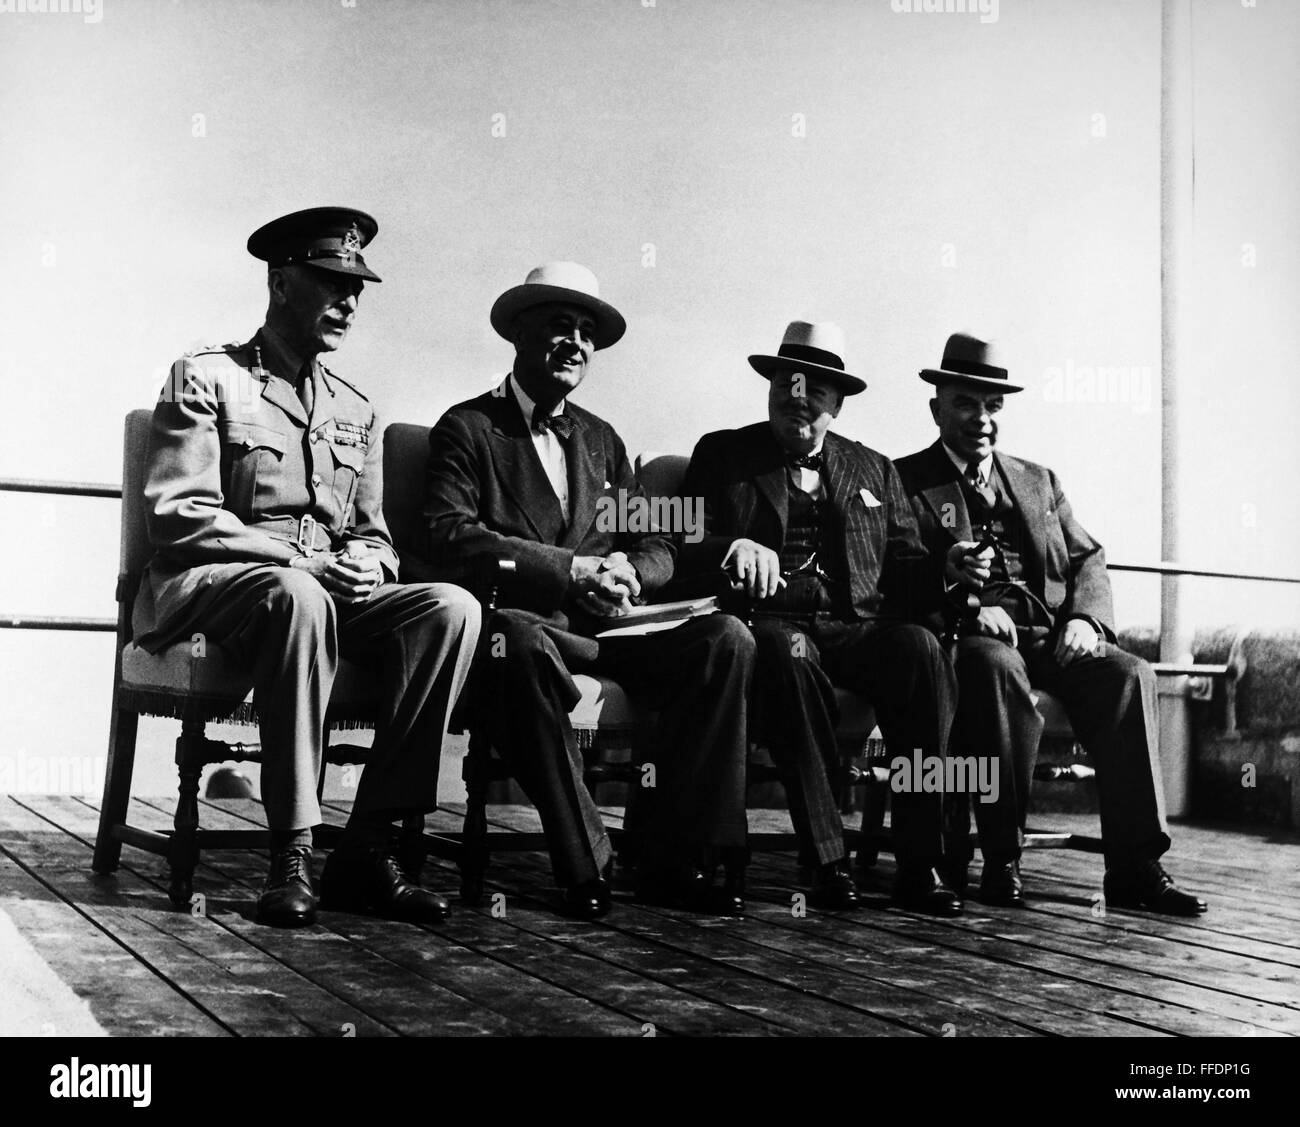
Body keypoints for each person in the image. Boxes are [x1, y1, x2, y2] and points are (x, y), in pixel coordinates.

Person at [134, 207, 480, 928]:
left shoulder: (356, 407)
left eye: (357, 287)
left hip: (317, 590)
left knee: (451, 607)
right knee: (300, 593)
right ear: (282, 281)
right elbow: (179, 514)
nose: (349, 301)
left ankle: (368, 842)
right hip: (213, 586)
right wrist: (307, 559)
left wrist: (366, 562)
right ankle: (291, 849)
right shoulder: (205, 378)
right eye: (330, 282)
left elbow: (376, 536)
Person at [421, 262, 755, 919]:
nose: (575, 342)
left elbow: (658, 540)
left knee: (727, 639)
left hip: (607, 632)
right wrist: (570, 570)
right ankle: (587, 862)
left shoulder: (603, 440)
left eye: (586, 332)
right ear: (518, 333)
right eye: (558, 326)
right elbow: (450, 534)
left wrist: (635, 572)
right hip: (522, 633)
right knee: (515, 642)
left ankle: (682, 856)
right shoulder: (467, 430)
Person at [894, 332, 1206, 915]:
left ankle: (1136, 866)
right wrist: (962, 601)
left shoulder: (1039, 480)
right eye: (966, 403)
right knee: (993, 666)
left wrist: (1086, 620)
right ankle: (1001, 857)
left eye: (993, 406)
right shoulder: (903, 481)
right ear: (936, 407)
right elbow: (893, 573)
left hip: (1052, 636)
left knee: (1128, 674)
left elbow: (1088, 557)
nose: (981, 419)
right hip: (969, 640)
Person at [676, 320, 966, 917]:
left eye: (815, 388)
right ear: (771, 387)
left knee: (920, 650)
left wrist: (950, 570)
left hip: (854, 625)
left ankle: (920, 859)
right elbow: (679, 539)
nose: (798, 396)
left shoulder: (874, 469)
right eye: (788, 381)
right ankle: (827, 857)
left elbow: (908, 566)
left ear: (838, 402)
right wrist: (730, 546)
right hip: (769, 622)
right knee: (790, 655)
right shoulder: (724, 453)